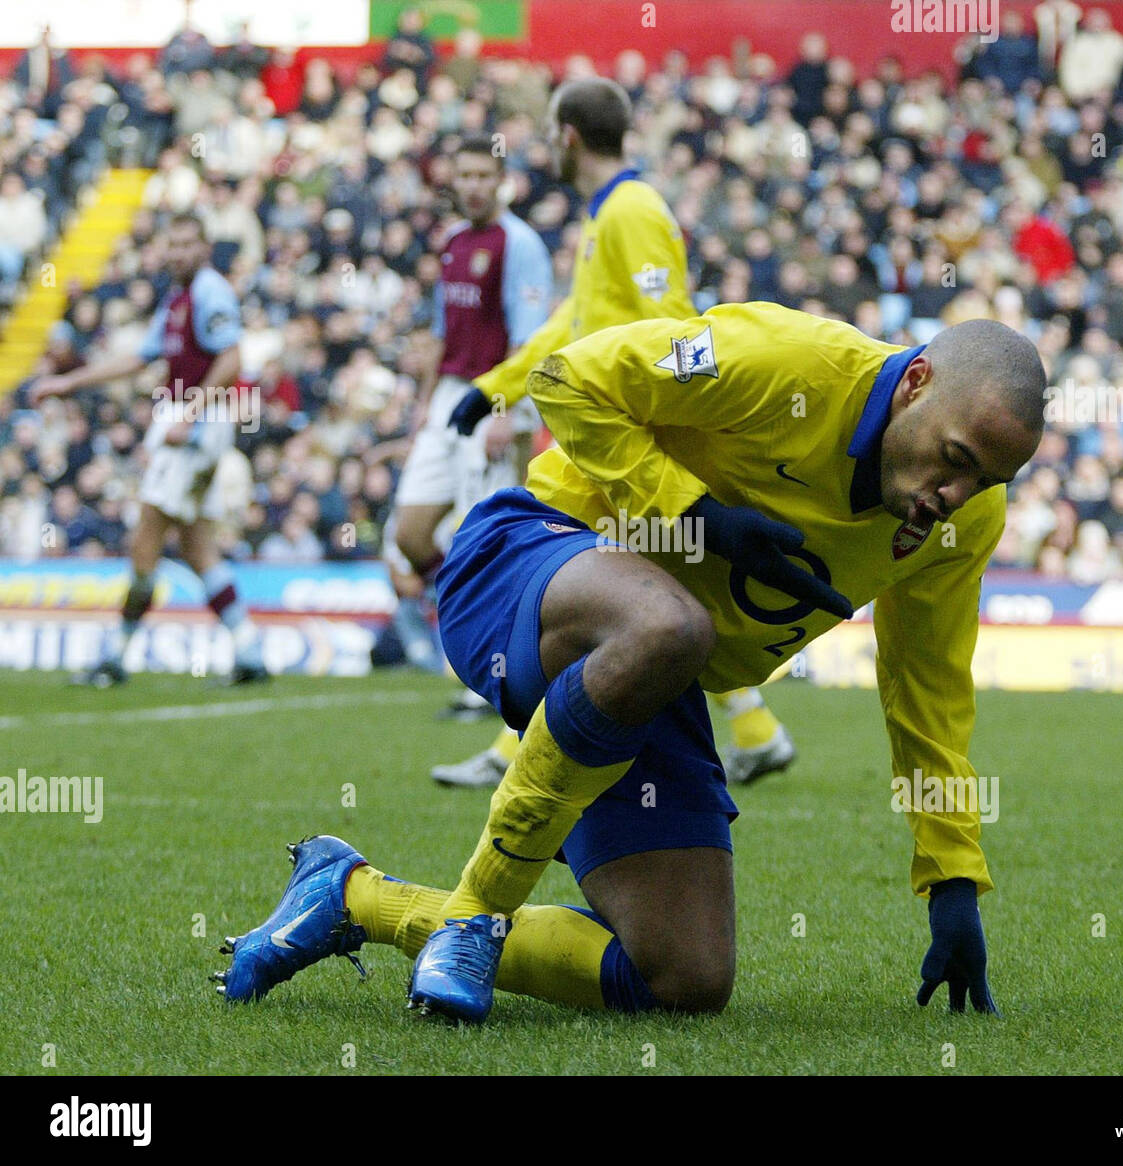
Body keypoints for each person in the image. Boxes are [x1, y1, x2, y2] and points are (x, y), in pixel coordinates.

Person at [214, 302, 1046, 1023]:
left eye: (987, 481)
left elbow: (926, 689)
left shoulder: (960, 526)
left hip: (651, 675)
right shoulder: (789, 361)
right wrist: (694, 515)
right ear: (915, 383)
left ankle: (351, 897)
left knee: (683, 978)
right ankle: (475, 911)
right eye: (958, 458)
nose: (957, 493)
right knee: (671, 624)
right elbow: (567, 376)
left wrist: (952, 882)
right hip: (527, 557)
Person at [436, 76, 799, 789]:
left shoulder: (633, 210)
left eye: (548, 129)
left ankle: (515, 753)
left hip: (622, 442)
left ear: (568, 133)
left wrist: (669, 438)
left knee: (550, 570)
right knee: (651, 583)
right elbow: (570, 327)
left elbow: (677, 327)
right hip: (601, 437)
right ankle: (757, 730)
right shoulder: (609, 213)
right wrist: (494, 390)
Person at [31, 214, 267, 686]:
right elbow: (138, 356)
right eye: (172, 245)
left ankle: (116, 657)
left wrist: (191, 411)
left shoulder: (209, 291)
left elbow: (232, 357)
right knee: (199, 547)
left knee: (145, 541)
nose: (178, 253)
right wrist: (70, 381)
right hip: (191, 422)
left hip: (197, 425)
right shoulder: (177, 297)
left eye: (187, 244)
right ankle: (249, 653)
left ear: (204, 247)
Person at [381, 134, 553, 737]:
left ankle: (488, 675)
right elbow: (439, 332)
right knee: (410, 534)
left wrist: (507, 410)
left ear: (501, 179)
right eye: (466, 175)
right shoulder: (453, 242)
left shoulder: (520, 244)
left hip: (494, 396)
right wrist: (424, 404)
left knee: (480, 538)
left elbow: (531, 337)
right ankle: (480, 639)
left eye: (485, 175)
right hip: (451, 397)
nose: (475, 185)